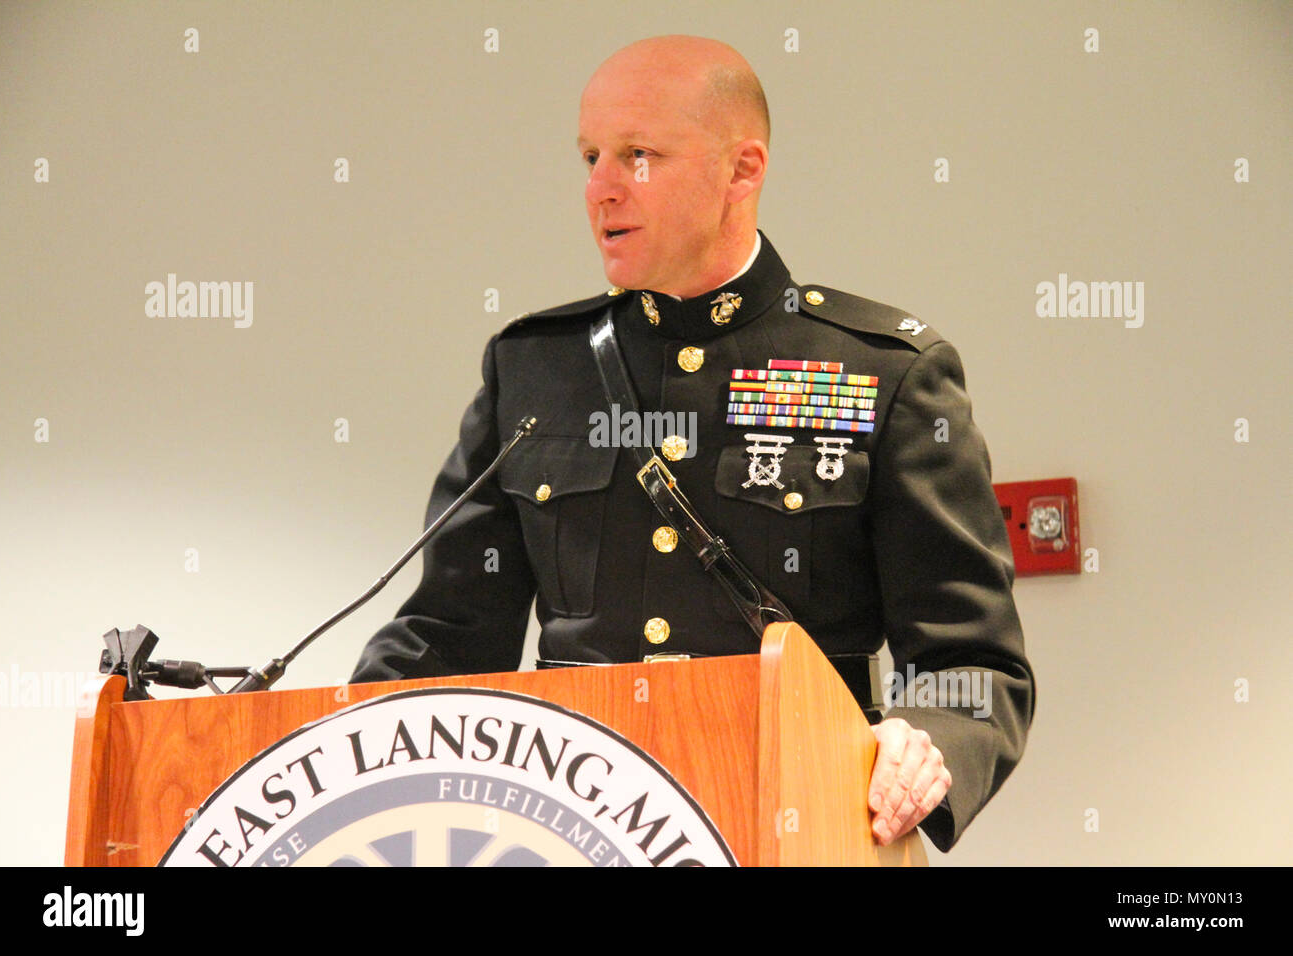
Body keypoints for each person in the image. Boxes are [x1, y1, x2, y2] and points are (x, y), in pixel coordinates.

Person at [351, 35, 1035, 854]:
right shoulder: (536, 368)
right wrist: (328, 742)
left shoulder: (880, 370)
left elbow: (973, 661)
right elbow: (449, 630)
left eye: (638, 155)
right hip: (573, 826)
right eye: (591, 156)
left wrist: (922, 741)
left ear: (742, 171)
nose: (600, 188)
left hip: (799, 817)